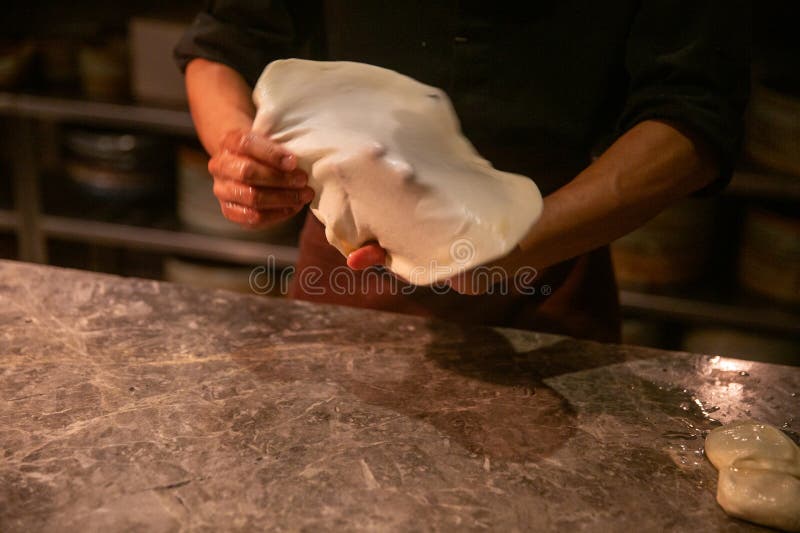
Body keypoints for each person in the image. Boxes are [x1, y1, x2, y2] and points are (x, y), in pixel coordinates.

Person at [175, 1, 749, 343]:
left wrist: (517, 240)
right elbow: (225, 40)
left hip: (551, 255)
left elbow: (694, 110)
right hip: (348, 261)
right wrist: (240, 150)